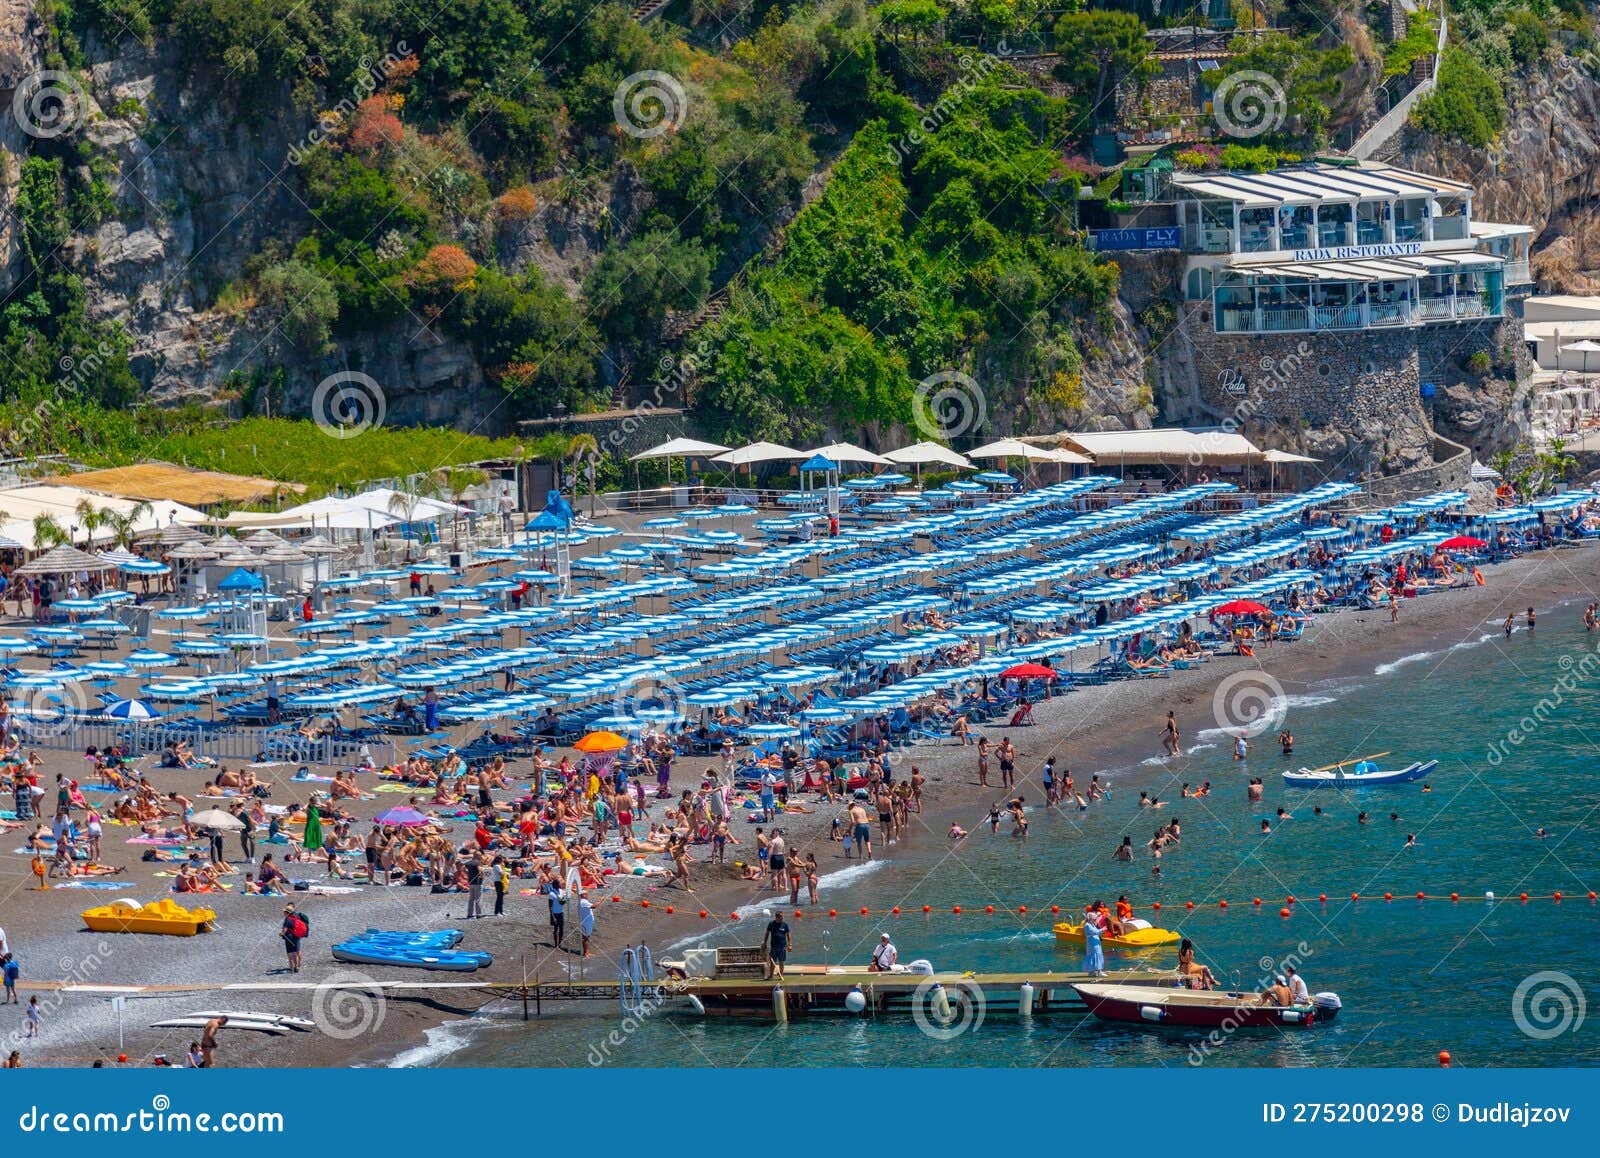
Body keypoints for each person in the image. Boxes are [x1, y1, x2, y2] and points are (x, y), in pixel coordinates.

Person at [762, 911, 791, 979]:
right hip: (774, 946)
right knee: (772, 961)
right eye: (781, 916)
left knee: (782, 961)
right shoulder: (771, 924)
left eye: (782, 916)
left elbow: (788, 934)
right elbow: (767, 933)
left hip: (782, 946)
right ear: (777, 917)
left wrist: (790, 944)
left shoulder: (785, 925)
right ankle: (771, 975)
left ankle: (781, 974)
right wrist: (765, 942)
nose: (782, 918)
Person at [280, 904, 306, 973]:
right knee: (295, 952)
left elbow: (285, 930)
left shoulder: (287, 919)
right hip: (296, 936)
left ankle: (291, 969)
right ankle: (297, 967)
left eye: (284, 912)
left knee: (290, 953)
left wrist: (281, 933)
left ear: (287, 912)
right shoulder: (297, 916)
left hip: (289, 937)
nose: (283, 913)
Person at [1081, 909, 1105, 977]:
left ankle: (1096, 971)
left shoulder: (1092, 924)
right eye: (1094, 918)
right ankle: (1095, 971)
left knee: (1098, 955)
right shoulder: (1087, 925)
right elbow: (1095, 932)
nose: (1095, 919)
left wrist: (1101, 931)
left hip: (1095, 942)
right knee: (1094, 955)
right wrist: (1102, 929)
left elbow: (1097, 931)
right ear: (1091, 919)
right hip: (1092, 943)